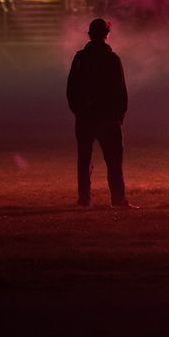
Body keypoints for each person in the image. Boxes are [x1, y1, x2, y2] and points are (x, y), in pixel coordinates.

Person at [65, 17, 132, 208]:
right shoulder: (112, 59)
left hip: (85, 116)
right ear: (106, 35)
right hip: (108, 117)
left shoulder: (80, 58)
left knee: (84, 159)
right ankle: (118, 199)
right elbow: (120, 91)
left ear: (89, 34)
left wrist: (78, 111)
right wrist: (118, 116)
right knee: (114, 161)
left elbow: (71, 88)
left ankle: (84, 199)